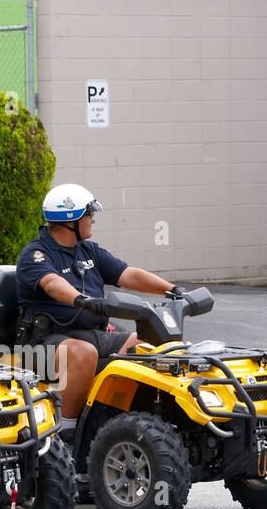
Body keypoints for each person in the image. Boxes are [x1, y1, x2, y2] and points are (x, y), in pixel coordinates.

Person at [15, 184, 184, 437]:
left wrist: (172, 290)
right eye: (88, 215)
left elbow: (129, 275)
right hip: (43, 342)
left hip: (94, 334)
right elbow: (52, 283)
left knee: (152, 343)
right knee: (84, 353)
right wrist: (82, 300)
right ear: (70, 220)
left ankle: (128, 421)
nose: (93, 220)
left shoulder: (89, 250)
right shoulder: (36, 254)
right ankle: (66, 433)